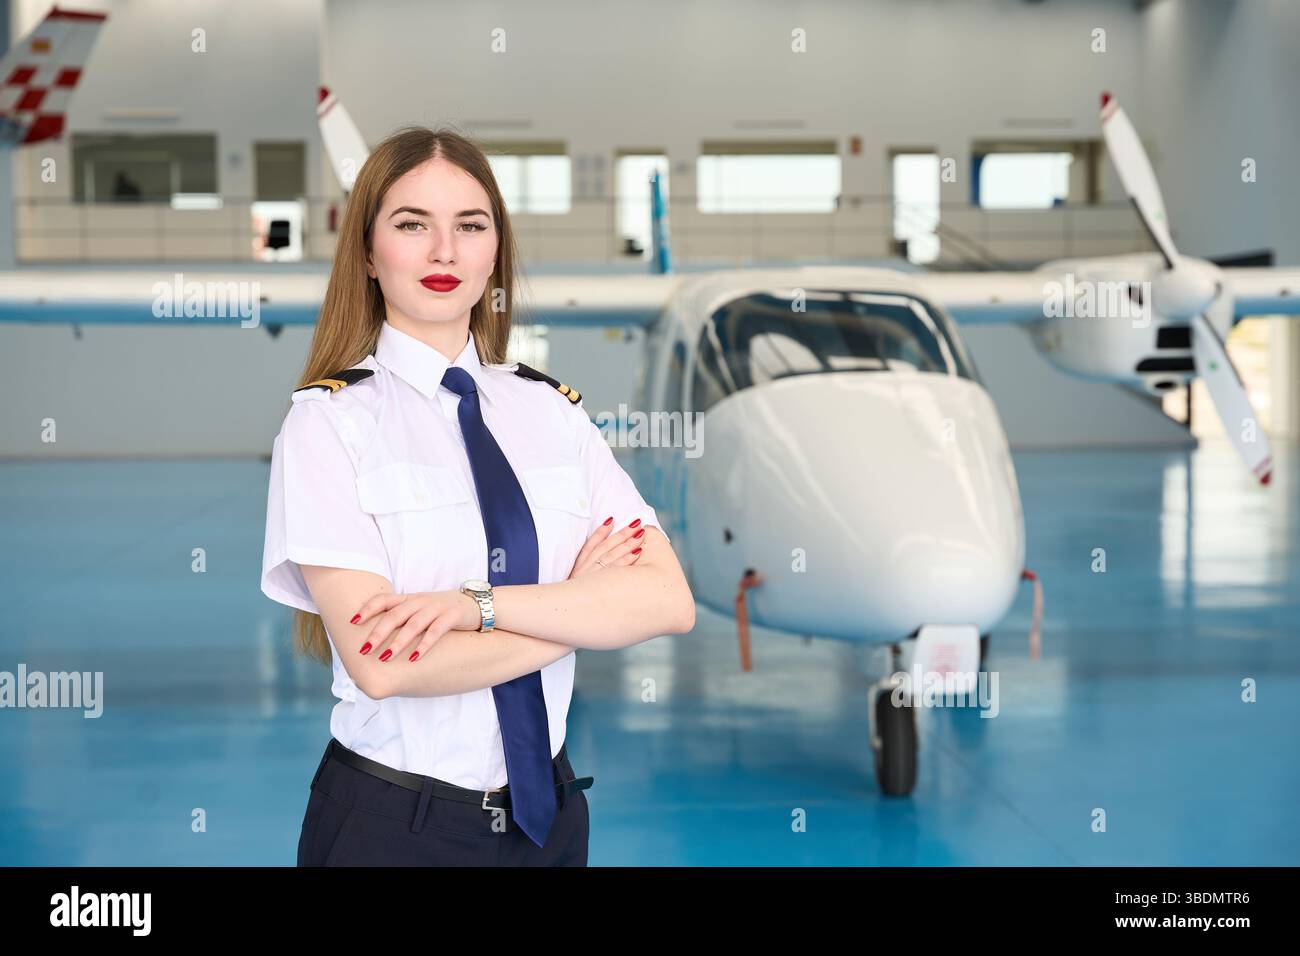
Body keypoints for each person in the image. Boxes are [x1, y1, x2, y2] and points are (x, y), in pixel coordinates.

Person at [259, 126, 696, 866]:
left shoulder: (553, 414)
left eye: (470, 224)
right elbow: (385, 665)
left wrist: (474, 608)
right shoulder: (327, 426)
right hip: (395, 827)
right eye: (411, 224)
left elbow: (666, 603)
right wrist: (581, 609)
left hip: (550, 823)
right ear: (368, 252)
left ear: (495, 249)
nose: (444, 251)